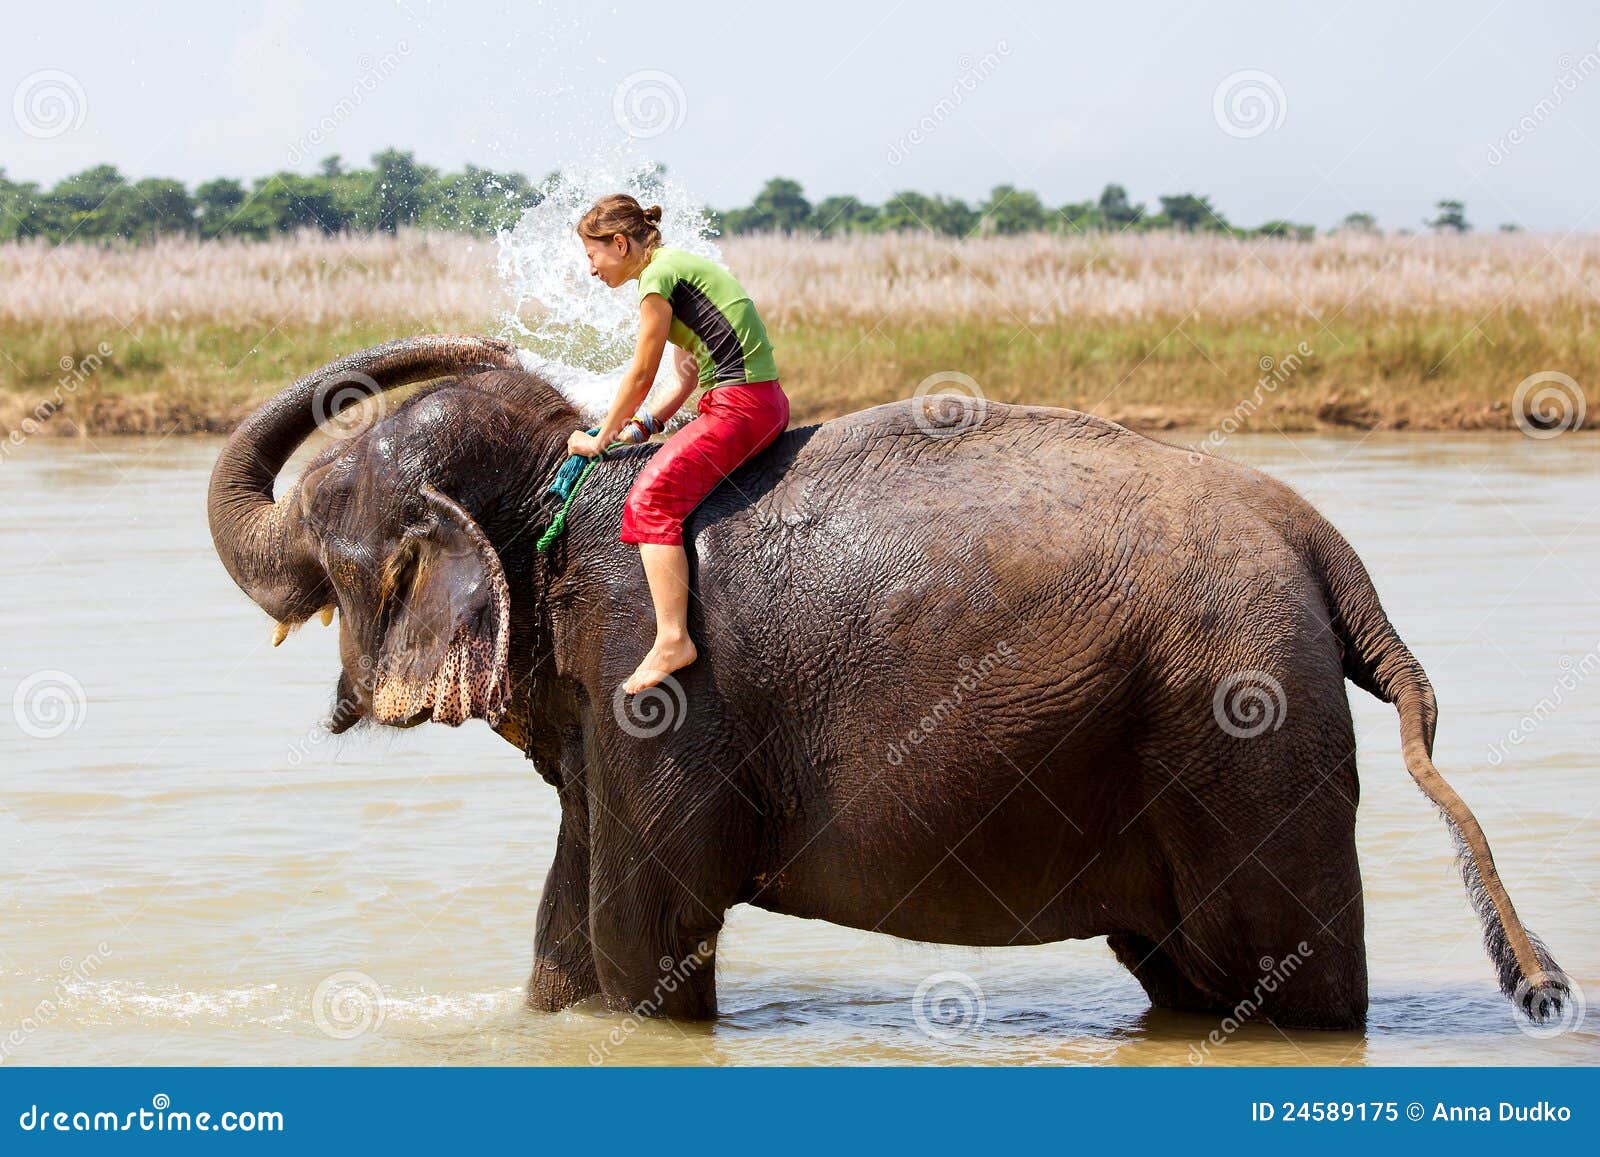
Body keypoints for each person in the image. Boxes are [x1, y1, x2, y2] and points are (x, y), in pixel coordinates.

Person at [571, 194, 789, 694]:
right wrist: (642, 428)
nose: (591, 270)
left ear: (620, 243)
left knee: (650, 501)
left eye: (592, 255)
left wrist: (599, 440)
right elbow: (687, 380)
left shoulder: (656, 281)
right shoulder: (676, 269)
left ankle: (673, 639)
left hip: (740, 407)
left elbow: (642, 373)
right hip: (761, 401)